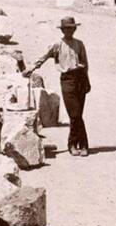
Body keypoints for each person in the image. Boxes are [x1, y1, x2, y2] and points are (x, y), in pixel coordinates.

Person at [30, 16, 91, 156]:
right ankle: (76, 144)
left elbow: (85, 63)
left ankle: (79, 145)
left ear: (75, 29)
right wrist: (32, 68)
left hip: (80, 78)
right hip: (67, 80)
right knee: (74, 114)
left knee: (78, 115)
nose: (69, 31)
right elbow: (43, 57)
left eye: (71, 28)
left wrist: (87, 81)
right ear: (62, 30)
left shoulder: (80, 44)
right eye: (66, 29)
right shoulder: (57, 45)